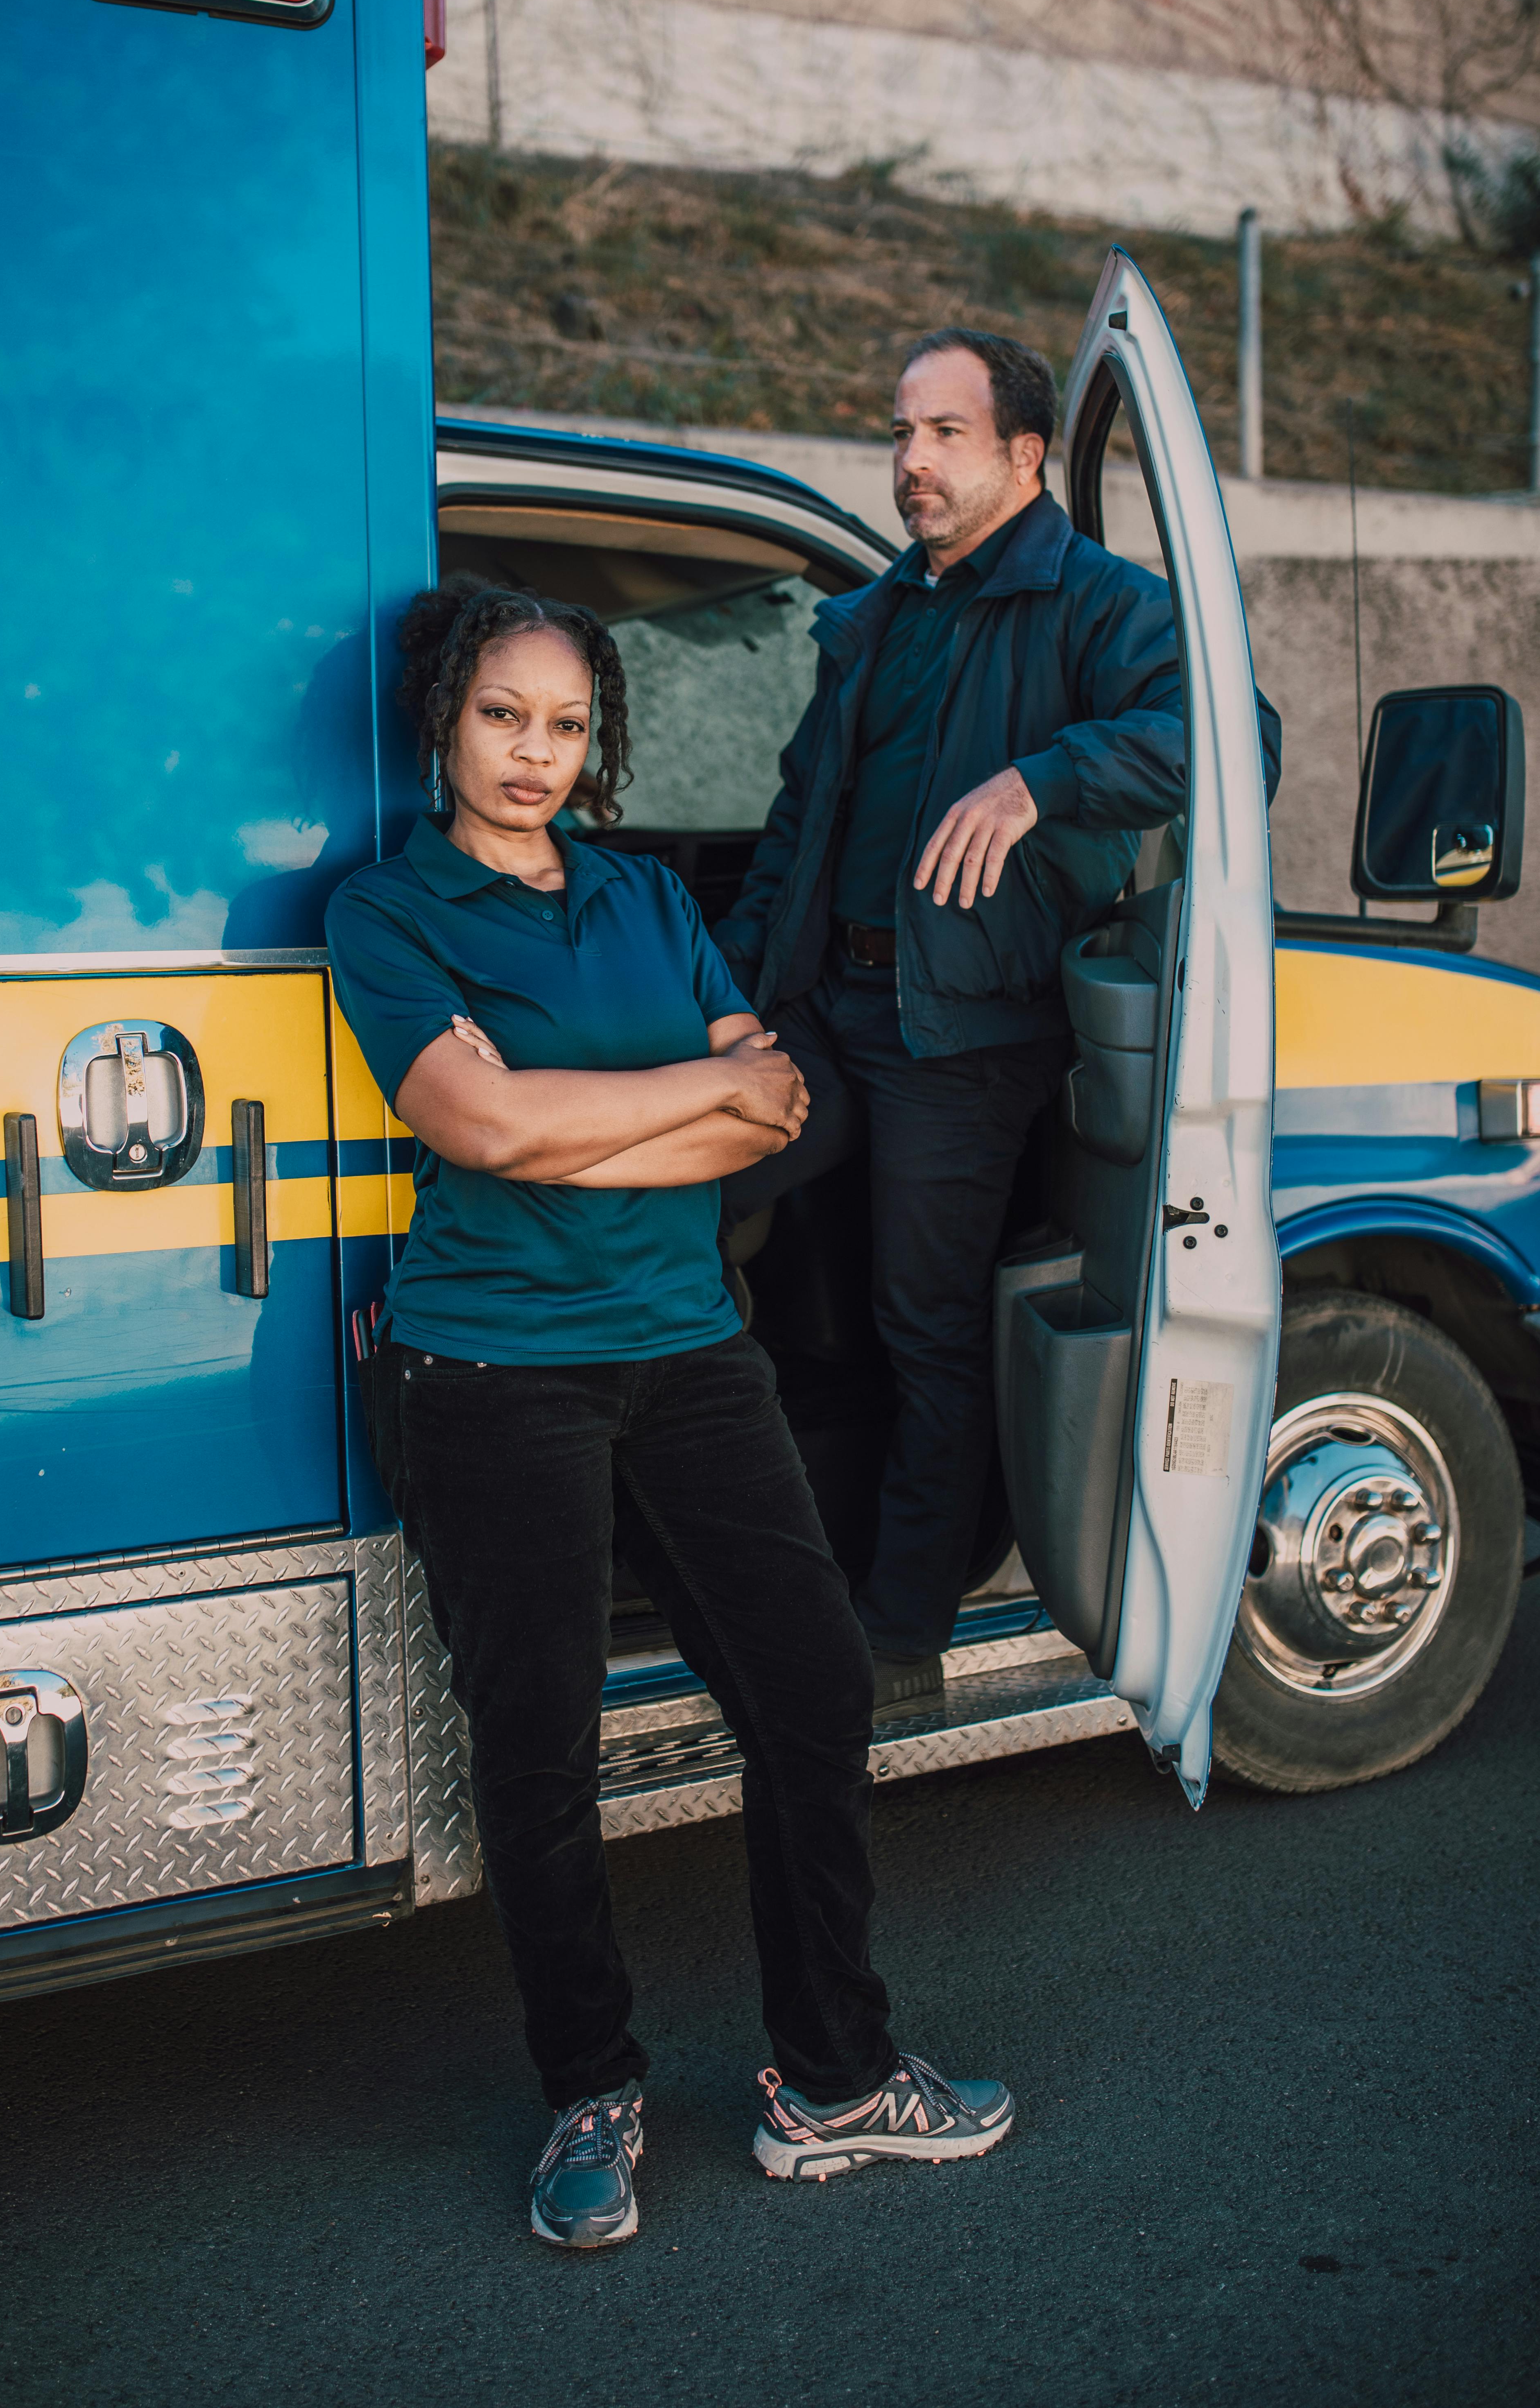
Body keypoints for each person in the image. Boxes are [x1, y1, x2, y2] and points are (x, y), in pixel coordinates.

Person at [325, 577, 1015, 2250]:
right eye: (502, 717)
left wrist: (605, 1122)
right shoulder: (388, 911)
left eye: (564, 725)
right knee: (540, 1751)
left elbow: (766, 1102)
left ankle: (831, 2082)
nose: (532, 753)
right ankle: (588, 2092)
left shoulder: (641, 894)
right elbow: (479, 1125)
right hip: (490, 1370)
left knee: (809, 1685)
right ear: (444, 723)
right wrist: (667, 1098)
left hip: (689, 1348)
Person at [713, 329, 1282, 1710]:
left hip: (963, 1041)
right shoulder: (881, 614)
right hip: (828, 1005)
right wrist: (725, 1000)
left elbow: (1235, 736)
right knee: (700, 1206)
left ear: (1026, 455)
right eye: (902, 431)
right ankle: (720, 1538)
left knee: (924, 1323)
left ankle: (899, 1632)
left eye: (943, 433)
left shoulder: (1095, 603)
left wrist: (1041, 779)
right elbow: (801, 823)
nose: (910, 460)